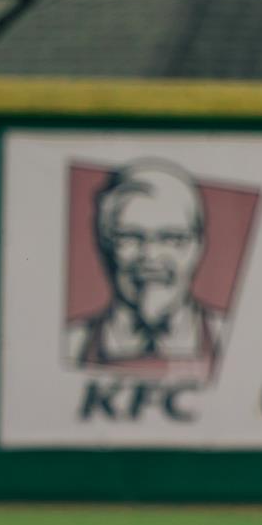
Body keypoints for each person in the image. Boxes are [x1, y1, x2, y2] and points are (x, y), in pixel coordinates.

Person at [64, 160, 229, 381]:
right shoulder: (69, 345)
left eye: (171, 238)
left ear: (197, 246)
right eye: (131, 237)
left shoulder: (232, 340)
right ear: (105, 244)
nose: (151, 257)